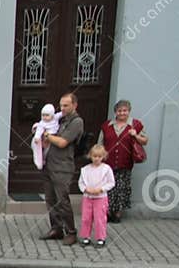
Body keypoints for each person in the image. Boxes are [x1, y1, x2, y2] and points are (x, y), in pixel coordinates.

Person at [40, 92, 83, 246]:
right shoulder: (60, 119)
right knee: (50, 199)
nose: (62, 108)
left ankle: (71, 232)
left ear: (74, 105)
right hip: (49, 164)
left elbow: (62, 142)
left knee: (62, 200)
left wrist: (46, 135)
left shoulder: (76, 122)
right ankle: (56, 228)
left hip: (63, 167)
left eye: (66, 105)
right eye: (61, 105)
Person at [98, 99, 148, 223]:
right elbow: (100, 143)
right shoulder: (107, 125)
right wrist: (99, 157)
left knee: (122, 188)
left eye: (125, 110)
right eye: (119, 111)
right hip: (108, 163)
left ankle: (118, 213)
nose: (122, 113)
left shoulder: (136, 125)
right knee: (108, 188)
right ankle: (107, 212)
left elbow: (145, 141)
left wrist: (135, 135)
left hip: (125, 163)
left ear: (129, 111)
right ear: (115, 112)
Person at [78, 144, 115, 247]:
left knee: (100, 218)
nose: (97, 159)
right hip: (88, 197)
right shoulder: (85, 169)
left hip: (100, 198)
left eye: (99, 156)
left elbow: (111, 182)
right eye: (94, 156)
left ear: (103, 156)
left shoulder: (106, 169)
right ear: (90, 156)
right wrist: (86, 189)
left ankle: (100, 238)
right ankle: (86, 237)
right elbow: (81, 182)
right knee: (86, 218)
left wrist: (101, 189)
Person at [30, 104, 61, 170]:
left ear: (52, 115)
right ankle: (42, 160)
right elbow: (39, 130)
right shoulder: (42, 123)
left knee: (50, 150)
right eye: (43, 115)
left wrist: (64, 113)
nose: (44, 117)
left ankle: (45, 160)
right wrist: (37, 137)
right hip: (46, 138)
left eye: (47, 115)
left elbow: (61, 114)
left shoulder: (55, 118)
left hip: (55, 136)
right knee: (45, 151)